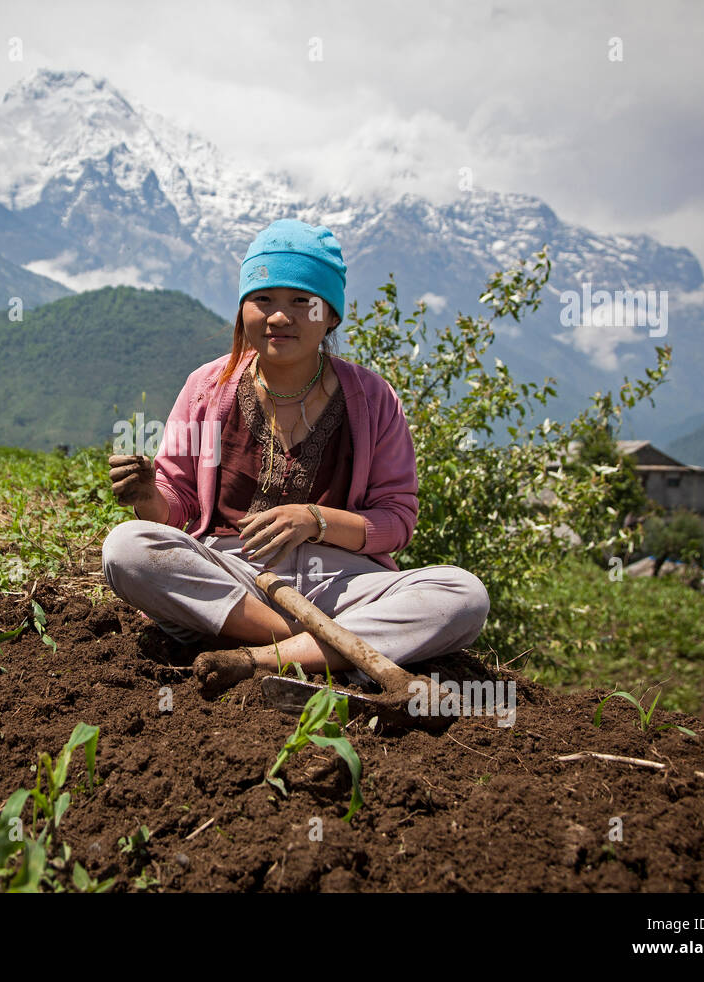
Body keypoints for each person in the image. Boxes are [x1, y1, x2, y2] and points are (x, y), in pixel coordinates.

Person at [102, 219, 489, 694]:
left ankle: (262, 658)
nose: (279, 317)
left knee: (463, 595)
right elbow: (177, 502)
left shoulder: (372, 398)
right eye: (263, 299)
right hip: (238, 579)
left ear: (330, 316)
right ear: (243, 308)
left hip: (343, 584)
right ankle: (326, 649)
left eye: (302, 302)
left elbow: (396, 520)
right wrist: (148, 496)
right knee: (127, 548)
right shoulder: (207, 387)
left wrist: (316, 520)